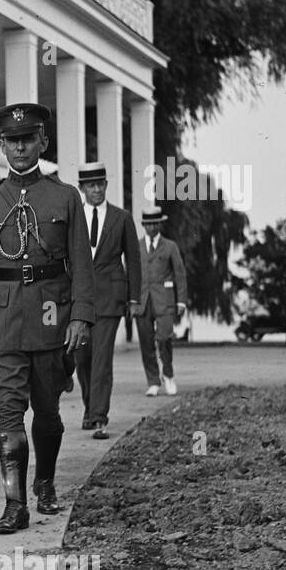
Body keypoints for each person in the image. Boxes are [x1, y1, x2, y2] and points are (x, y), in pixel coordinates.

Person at [0, 102, 94, 533]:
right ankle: (14, 505)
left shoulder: (65, 197)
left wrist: (81, 318)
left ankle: (47, 482)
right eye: (12, 141)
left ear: (42, 142)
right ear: (1, 146)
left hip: (51, 318)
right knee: (8, 414)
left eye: (28, 139)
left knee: (48, 413)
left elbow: (81, 264)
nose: (20, 148)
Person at [73, 162, 143, 438]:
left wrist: (134, 298)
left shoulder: (121, 218)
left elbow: (134, 260)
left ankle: (99, 417)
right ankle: (90, 409)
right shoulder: (74, 216)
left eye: (101, 184)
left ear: (106, 185)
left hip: (110, 300)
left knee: (102, 360)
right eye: (91, 185)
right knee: (82, 360)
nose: (97, 190)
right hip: (79, 301)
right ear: (82, 189)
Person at [137, 206, 188, 396]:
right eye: (148, 224)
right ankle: (153, 381)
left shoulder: (170, 246)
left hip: (165, 300)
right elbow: (131, 274)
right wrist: (131, 300)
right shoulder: (137, 246)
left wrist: (181, 301)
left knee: (165, 338)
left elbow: (180, 274)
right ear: (143, 225)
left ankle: (168, 374)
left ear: (160, 224)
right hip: (142, 301)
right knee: (145, 342)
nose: (151, 227)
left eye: (155, 223)